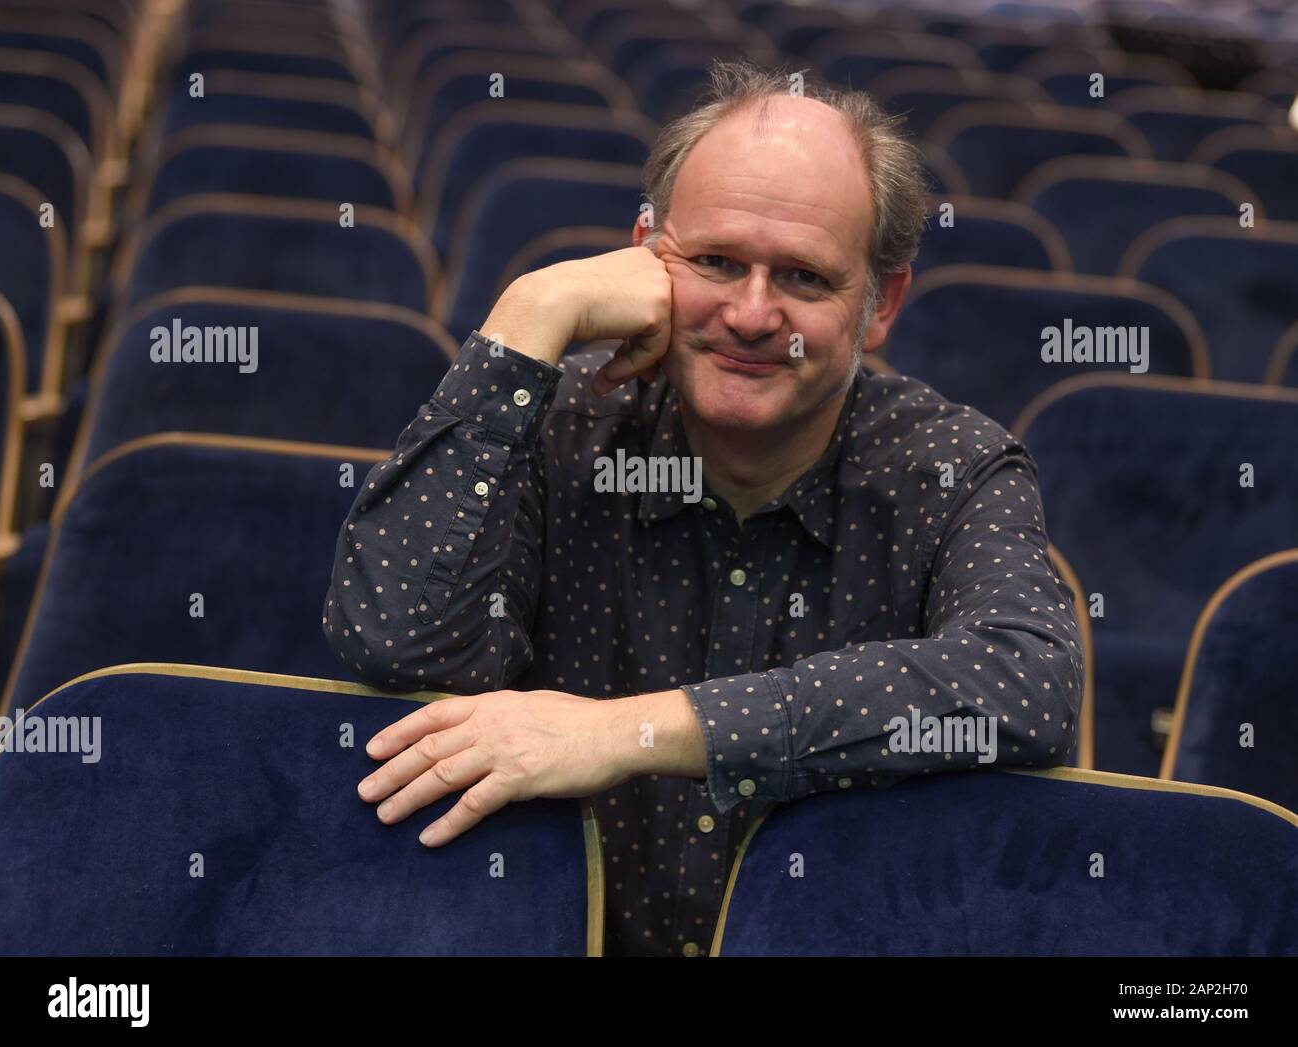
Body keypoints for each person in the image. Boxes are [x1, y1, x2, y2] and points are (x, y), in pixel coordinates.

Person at [323, 59, 1084, 957]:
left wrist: (634, 730)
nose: (753, 313)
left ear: (881, 303)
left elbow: (1027, 686)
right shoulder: (553, 425)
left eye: (804, 277)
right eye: (716, 262)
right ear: (644, 253)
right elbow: (388, 638)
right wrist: (532, 309)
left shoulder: (953, 466)